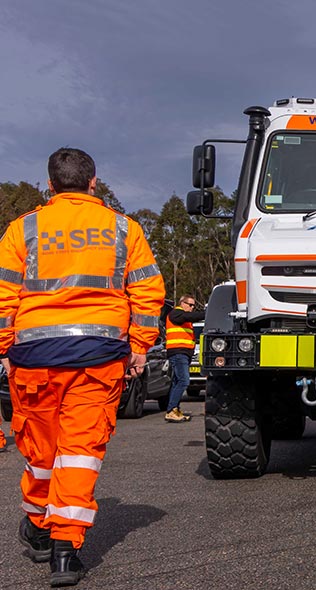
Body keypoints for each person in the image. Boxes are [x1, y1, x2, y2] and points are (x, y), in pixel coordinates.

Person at [0, 148, 164, 587]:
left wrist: (2, 348)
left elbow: (3, 294)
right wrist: (140, 346)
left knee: (42, 455)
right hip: (98, 357)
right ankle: (64, 552)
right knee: (78, 455)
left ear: (49, 184)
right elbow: (147, 290)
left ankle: (38, 525)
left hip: (34, 358)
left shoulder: (23, 229)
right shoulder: (123, 229)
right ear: (94, 182)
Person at [164, 295, 204, 423]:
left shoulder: (183, 318)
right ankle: (171, 411)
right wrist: (206, 313)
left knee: (177, 382)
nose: (192, 308)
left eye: (193, 306)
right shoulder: (176, 314)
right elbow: (190, 317)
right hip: (178, 353)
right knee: (184, 381)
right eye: (190, 305)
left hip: (182, 354)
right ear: (182, 303)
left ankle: (173, 409)